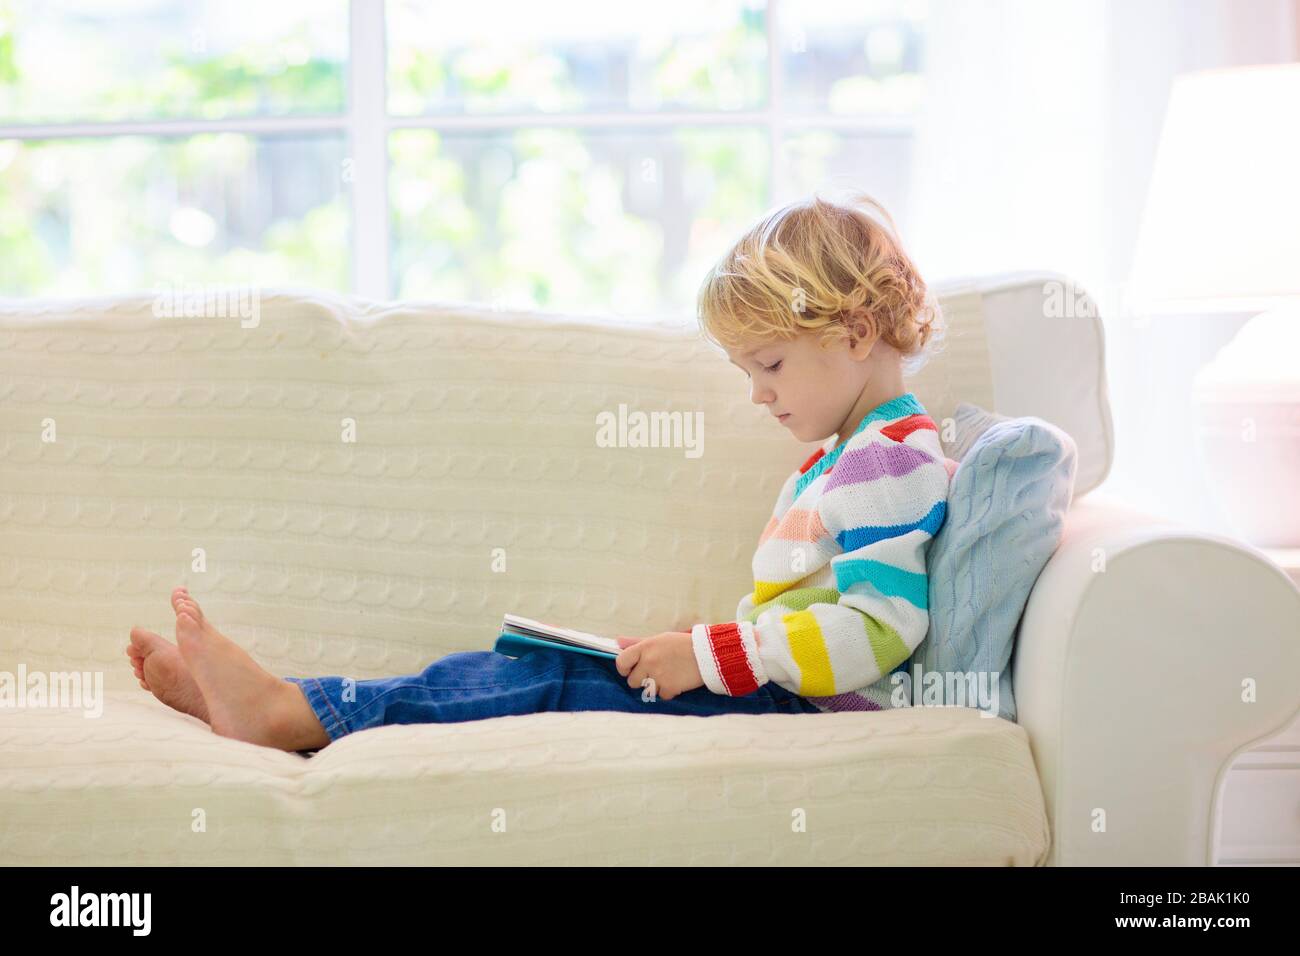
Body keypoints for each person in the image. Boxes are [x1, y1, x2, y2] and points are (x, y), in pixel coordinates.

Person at [125, 192, 953, 753]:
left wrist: (711, 657)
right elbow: (813, 618)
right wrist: (701, 646)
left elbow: (880, 630)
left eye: (769, 364)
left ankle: (287, 712)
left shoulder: (885, 458)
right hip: (780, 692)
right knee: (543, 663)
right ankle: (290, 704)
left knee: (544, 677)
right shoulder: (848, 457)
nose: (756, 394)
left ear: (856, 333)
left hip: (800, 712)